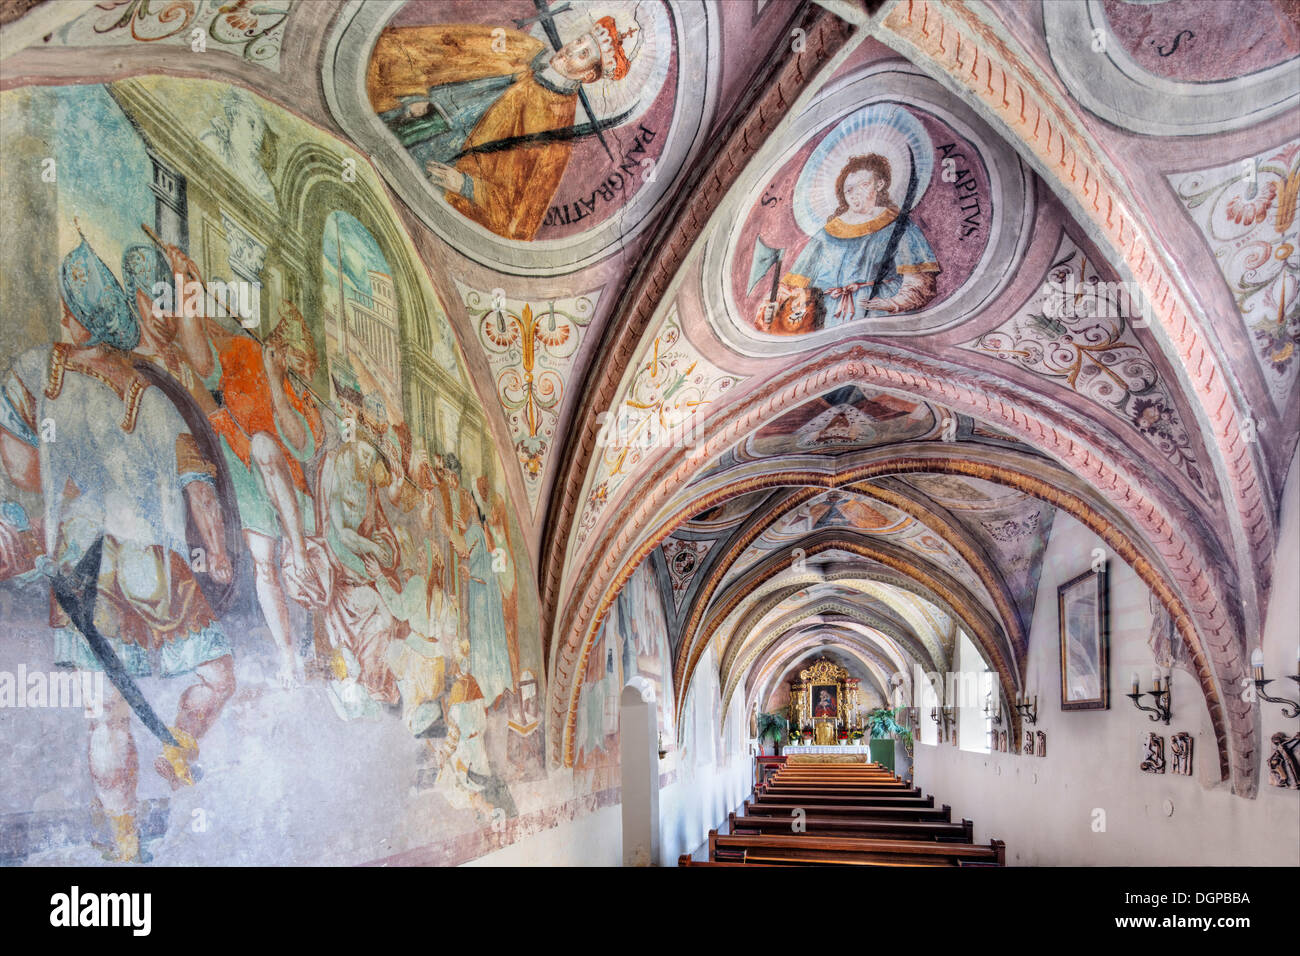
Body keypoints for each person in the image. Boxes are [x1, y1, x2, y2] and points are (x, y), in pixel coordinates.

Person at [0, 236, 236, 862]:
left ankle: (125, 842)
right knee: (218, 677)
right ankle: (178, 745)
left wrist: (49, 487)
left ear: (74, 311)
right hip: (154, 569)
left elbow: (20, 467)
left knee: (104, 714)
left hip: (82, 564)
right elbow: (200, 487)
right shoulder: (153, 396)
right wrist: (217, 552)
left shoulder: (33, 369)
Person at [366, 14, 639, 240]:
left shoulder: (557, 132)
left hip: (443, 159)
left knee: (379, 200)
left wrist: (467, 186)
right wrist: (414, 91)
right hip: (423, 116)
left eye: (583, 54)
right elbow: (453, 45)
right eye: (579, 41)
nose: (570, 51)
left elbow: (520, 218)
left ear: (588, 75)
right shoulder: (526, 49)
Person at [760, 153, 940, 330]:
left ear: (880, 184)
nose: (855, 194)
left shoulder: (898, 225)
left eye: (863, 185)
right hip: (826, 316)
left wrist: (891, 303)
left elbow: (920, 282)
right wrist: (773, 307)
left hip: (877, 314)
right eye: (849, 190)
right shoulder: (828, 232)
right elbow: (792, 285)